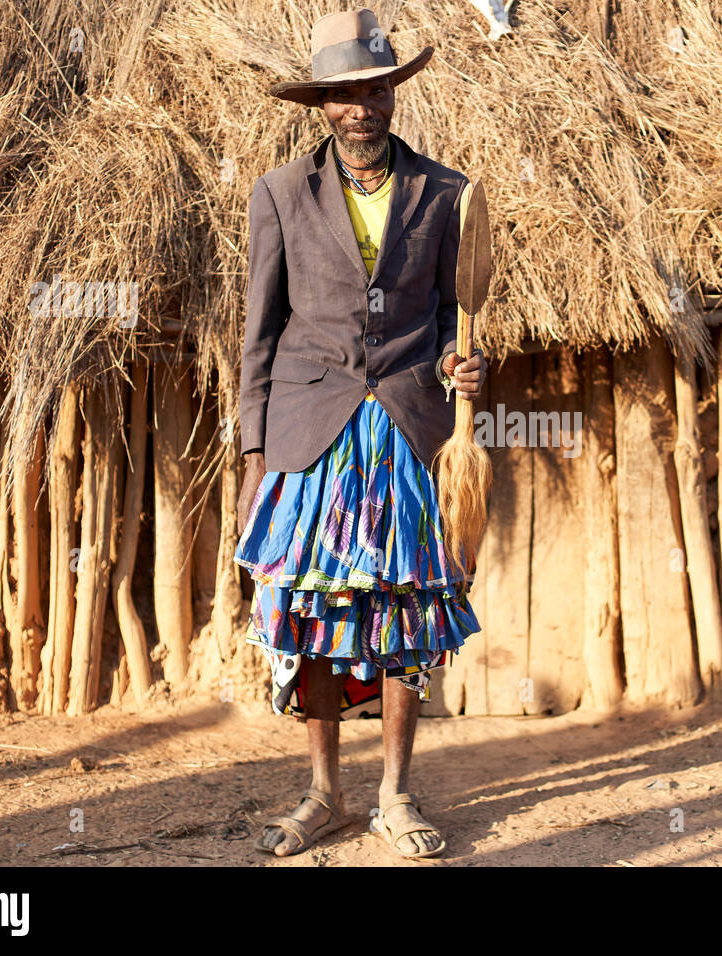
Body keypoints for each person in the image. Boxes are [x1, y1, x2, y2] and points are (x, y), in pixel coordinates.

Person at [233, 7, 487, 860]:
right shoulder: (278, 194)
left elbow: (457, 316)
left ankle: (397, 794)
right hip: (310, 434)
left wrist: (463, 362)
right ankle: (322, 795)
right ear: (324, 103)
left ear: (393, 92)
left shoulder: (446, 194)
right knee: (307, 610)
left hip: (410, 432)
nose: (361, 108)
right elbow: (259, 334)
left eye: (374, 89)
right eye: (344, 94)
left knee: (407, 613)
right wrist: (254, 453)